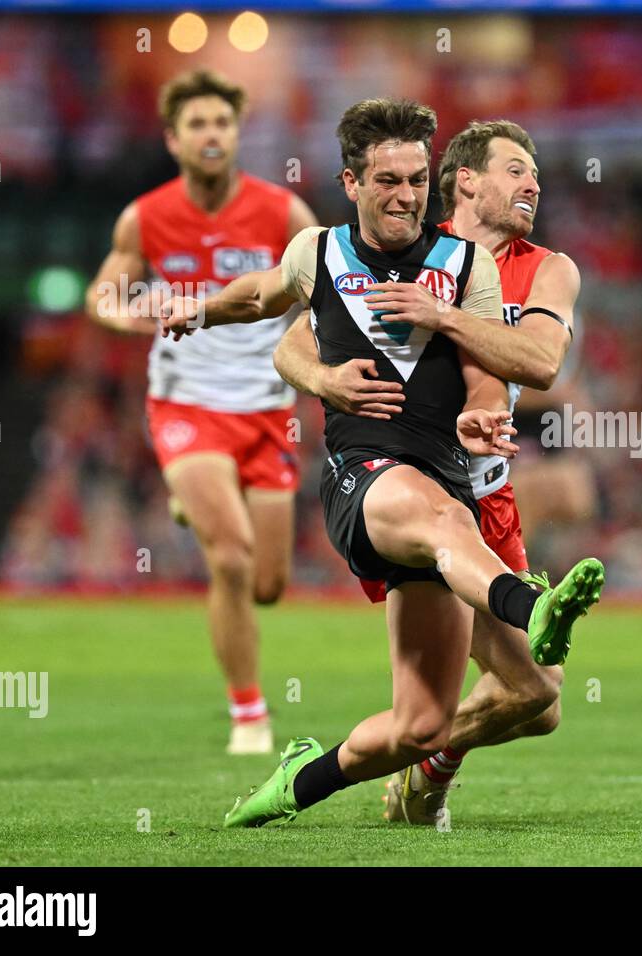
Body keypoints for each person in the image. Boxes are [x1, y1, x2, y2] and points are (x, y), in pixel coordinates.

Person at [160, 98, 603, 827]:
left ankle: (304, 778)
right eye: (390, 181)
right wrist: (203, 310)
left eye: (415, 181)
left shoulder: (469, 269)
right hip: (366, 480)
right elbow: (268, 303)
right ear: (352, 183)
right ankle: (535, 606)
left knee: (424, 725)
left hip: (455, 484)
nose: (405, 196)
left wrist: (478, 410)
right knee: (440, 517)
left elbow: (496, 372)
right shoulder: (321, 251)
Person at [274, 118, 585, 824]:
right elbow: (294, 340)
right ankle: (425, 782)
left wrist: (441, 318)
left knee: (538, 701)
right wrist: (323, 380)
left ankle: (424, 767)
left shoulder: (548, 267)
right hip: (407, 486)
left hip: (490, 497)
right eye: (515, 168)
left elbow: (538, 364)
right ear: (465, 179)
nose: (532, 182)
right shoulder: (406, 243)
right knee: (505, 682)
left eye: (536, 171)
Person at [85, 69, 319, 754]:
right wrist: (131, 315)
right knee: (233, 559)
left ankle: (198, 503)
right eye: (197, 124)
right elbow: (102, 293)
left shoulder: (284, 214)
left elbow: (331, 286)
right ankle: (249, 713)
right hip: (187, 406)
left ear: (237, 134)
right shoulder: (146, 216)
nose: (212, 134)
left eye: (222, 122)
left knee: (271, 585)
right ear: (174, 139)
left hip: (268, 411)